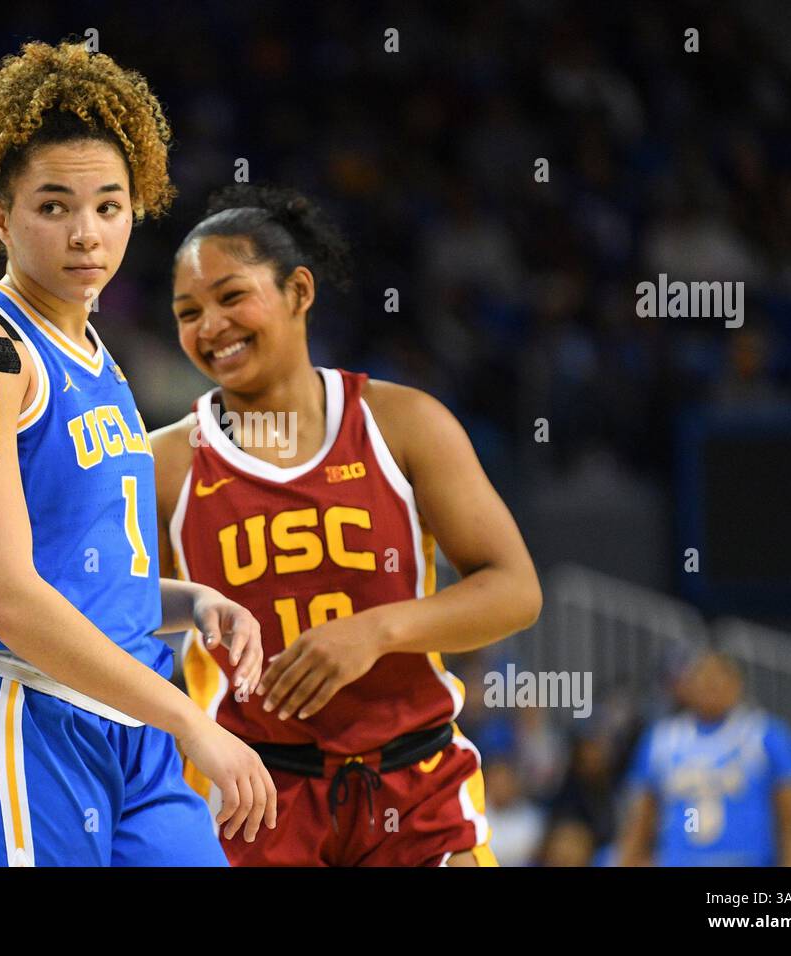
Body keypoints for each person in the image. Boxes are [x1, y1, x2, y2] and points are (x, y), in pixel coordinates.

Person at [0, 42, 276, 867]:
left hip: (133, 736)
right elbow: (5, 595)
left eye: (109, 206)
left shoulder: (101, 357)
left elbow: (83, 573)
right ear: (0, 218)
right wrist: (189, 720)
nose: (85, 234)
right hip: (17, 722)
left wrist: (191, 602)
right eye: (54, 206)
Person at [150, 184, 542, 866]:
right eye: (189, 312)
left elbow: (514, 589)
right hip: (253, 794)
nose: (210, 326)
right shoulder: (162, 463)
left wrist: (377, 632)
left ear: (299, 291)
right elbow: (119, 614)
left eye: (231, 296)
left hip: (416, 785)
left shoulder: (404, 423)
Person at [617, 651, 791, 866]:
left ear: (737, 685)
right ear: (688, 686)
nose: (710, 686)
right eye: (703, 678)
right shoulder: (662, 740)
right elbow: (640, 817)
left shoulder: (765, 735)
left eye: (718, 678)